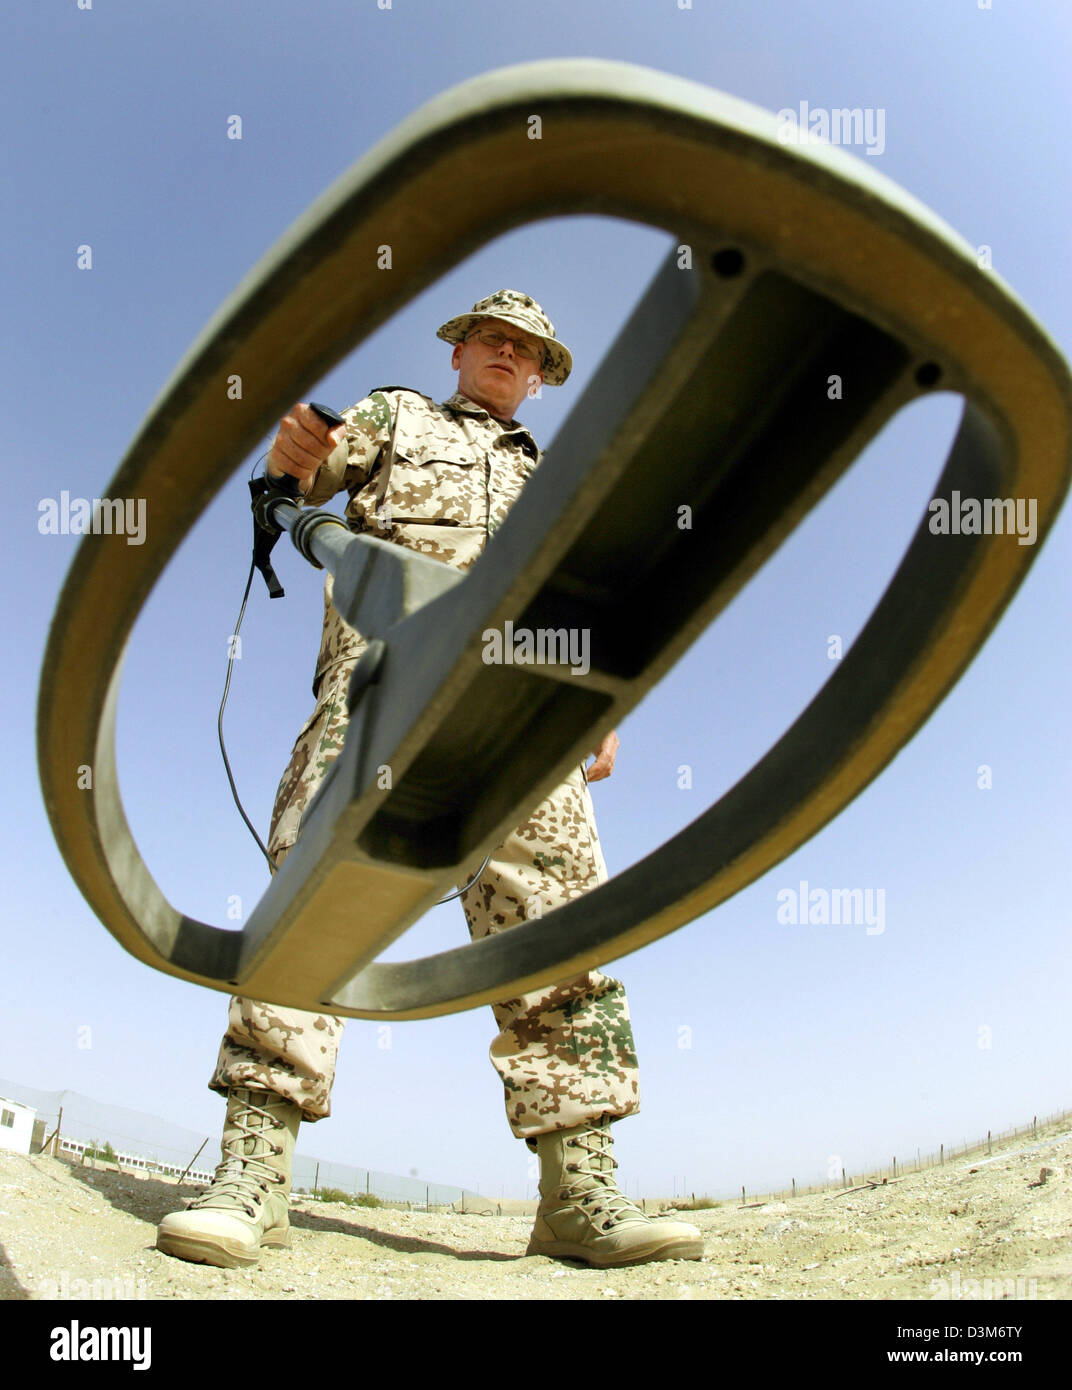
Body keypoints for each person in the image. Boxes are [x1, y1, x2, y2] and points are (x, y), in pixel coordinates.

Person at [156, 290, 704, 1271]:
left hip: (529, 707)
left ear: (541, 375)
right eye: (492, 337)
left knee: (559, 926)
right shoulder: (395, 415)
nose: (508, 353)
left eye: (527, 349)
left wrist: (603, 709)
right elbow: (300, 479)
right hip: (384, 674)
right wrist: (290, 455)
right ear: (460, 352)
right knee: (311, 904)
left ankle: (577, 1190)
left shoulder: (558, 473)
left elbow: (589, 589)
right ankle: (252, 1174)